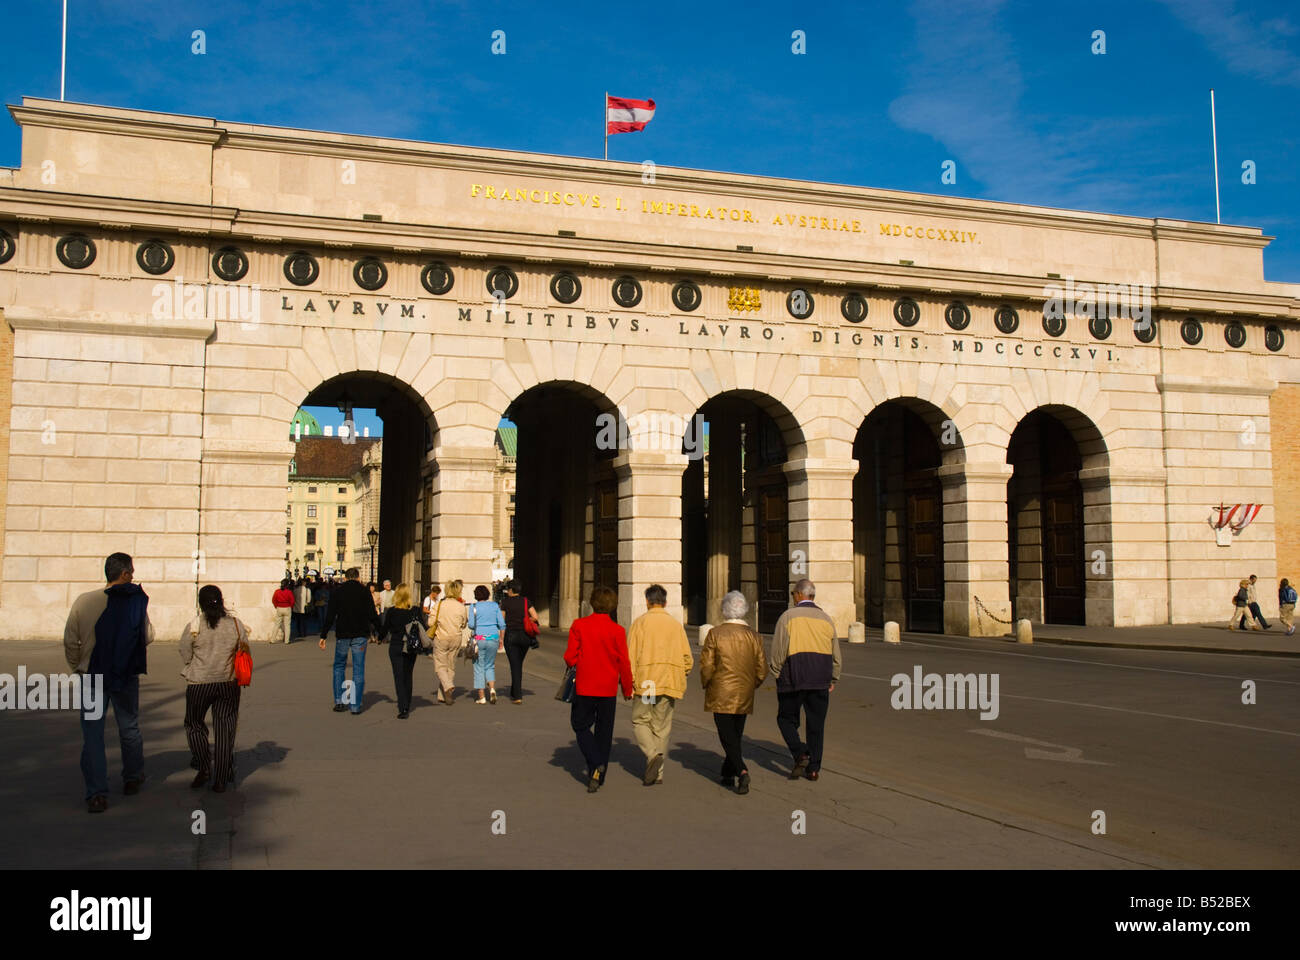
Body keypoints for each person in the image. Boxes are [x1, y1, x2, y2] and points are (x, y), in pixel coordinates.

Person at [63, 552, 155, 813]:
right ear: (124, 574)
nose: (134, 576)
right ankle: (132, 778)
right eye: (132, 572)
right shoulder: (132, 602)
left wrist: (78, 666)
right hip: (124, 675)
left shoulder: (84, 601)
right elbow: (148, 635)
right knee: (129, 727)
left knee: (93, 735)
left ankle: (96, 793)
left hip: (91, 677)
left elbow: (71, 640)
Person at [769, 578, 841, 782]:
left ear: (800, 594)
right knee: (816, 724)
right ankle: (814, 769)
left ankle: (800, 752)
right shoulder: (826, 619)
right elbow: (836, 654)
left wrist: (775, 672)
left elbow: (778, 650)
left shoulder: (788, 617)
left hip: (794, 677)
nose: (792, 597)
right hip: (820, 678)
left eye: (793, 593)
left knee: (785, 718)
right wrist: (833, 677)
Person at [564, 586, 633, 793]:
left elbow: (569, 656)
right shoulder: (618, 630)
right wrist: (627, 688)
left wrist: (578, 661)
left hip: (585, 685)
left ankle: (595, 763)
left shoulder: (579, 625)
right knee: (604, 732)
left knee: (580, 725)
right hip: (608, 687)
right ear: (613, 606)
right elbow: (624, 662)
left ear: (593, 603)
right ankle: (599, 774)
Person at [180, 585, 250, 792]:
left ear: (200, 603)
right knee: (225, 728)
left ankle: (203, 765)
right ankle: (221, 777)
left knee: (193, 724)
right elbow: (243, 647)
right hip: (228, 682)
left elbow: (184, 650)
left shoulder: (195, 625)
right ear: (221, 601)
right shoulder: (235, 624)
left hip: (199, 683)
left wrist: (192, 664)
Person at [700, 590, 768, 795]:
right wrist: (752, 684)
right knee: (736, 733)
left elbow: (707, 665)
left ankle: (741, 770)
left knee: (726, 734)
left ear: (724, 610)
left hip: (721, 690)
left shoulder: (715, 633)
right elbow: (762, 668)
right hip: (744, 690)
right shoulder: (754, 636)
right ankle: (727, 772)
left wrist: (707, 683)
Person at [626, 584, 693, 786]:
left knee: (640, 720)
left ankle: (652, 754)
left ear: (647, 601)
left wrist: (630, 681)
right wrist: (680, 672)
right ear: (665, 602)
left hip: (647, 682)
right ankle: (659, 773)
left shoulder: (640, 623)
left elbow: (631, 655)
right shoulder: (675, 625)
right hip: (669, 680)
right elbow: (687, 658)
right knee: (662, 726)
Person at [319, 567, 381, 714]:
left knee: (339, 666)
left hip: (343, 634)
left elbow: (330, 615)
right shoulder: (364, 591)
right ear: (358, 578)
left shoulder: (337, 592)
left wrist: (323, 635)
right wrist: (382, 631)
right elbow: (372, 614)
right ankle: (355, 705)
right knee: (358, 669)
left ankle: (340, 701)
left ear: (345, 578)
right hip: (360, 635)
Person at [380, 584, 426, 718]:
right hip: (410, 646)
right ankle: (407, 703)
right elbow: (423, 627)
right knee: (408, 674)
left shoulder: (392, 611)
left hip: (396, 645)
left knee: (398, 676)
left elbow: (385, 628)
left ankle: (402, 706)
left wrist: (379, 637)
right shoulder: (415, 610)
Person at [431, 579, 469, 704]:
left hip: (441, 637)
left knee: (440, 666)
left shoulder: (439, 605)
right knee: (451, 666)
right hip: (456, 638)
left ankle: (447, 686)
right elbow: (464, 624)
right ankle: (443, 695)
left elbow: (430, 622)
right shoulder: (461, 606)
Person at [500, 581, 539, 703]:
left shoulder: (505, 602)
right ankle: (514, 690)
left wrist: (501, 637)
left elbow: (502, 620)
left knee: (515, 665)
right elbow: (535, 617)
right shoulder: (526, 601)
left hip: (511, 636)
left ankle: (517, 696)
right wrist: (525, 620)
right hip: (525, 637)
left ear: (511, 590)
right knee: (518, 663)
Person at [468, 585, 505, 704]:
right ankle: (492, 689)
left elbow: (471, 625)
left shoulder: (473, 607)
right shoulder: (494, 606)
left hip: (480, 637)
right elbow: (502, 624)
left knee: (479, 666)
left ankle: (482, 696)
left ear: (476, 595)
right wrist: (501, 639)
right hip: (493, 637)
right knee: (490, 665)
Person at [272, 578, 294, 643]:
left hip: (279, 608)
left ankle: (272, 639)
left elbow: (273, 600)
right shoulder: (289, 592)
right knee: (287, 625)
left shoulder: (277, 591)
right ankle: (287, 641)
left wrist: (276, 606)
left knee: (277, 624)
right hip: (287, 608)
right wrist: (290, 607)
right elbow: (292, 601)